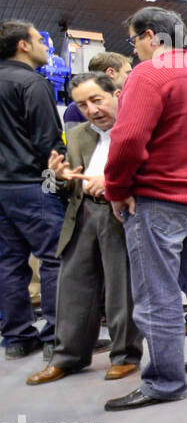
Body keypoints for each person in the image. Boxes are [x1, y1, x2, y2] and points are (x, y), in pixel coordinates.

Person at [102, 6, 187, 410]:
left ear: (151, 36)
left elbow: (127, 140)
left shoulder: (149, 74)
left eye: (134, 40)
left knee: (156, 292)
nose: (136, 49)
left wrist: (116, 188)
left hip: (158, 201)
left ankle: (164, 381)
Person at [26, 72, 143, 384]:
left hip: (122, 216)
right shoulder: (77, 135)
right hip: (82, 215)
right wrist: (60, 177)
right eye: (82, 104)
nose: (92, 110)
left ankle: (125, 355)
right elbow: (64, 188)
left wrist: (112, 183)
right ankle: (69, 357)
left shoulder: (138, 130)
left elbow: (153, 172)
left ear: (117, 94)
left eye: (97, 100)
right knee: (73, 288)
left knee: (122, 290)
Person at [0, 20, 65, 360]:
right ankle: (57, 337)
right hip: (32, 184)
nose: (44, 46)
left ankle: (17, 338)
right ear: (23, 45)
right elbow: (48, 144)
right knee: (54, 258)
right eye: (39, 39)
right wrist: (56, 187)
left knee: (9, 263)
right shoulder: (32, 83)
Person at [64, 52, 134, 126]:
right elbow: (73, 136)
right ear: (111, 72)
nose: (132, 77)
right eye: (128, 73)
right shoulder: (75, 110)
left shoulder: (130, 103)